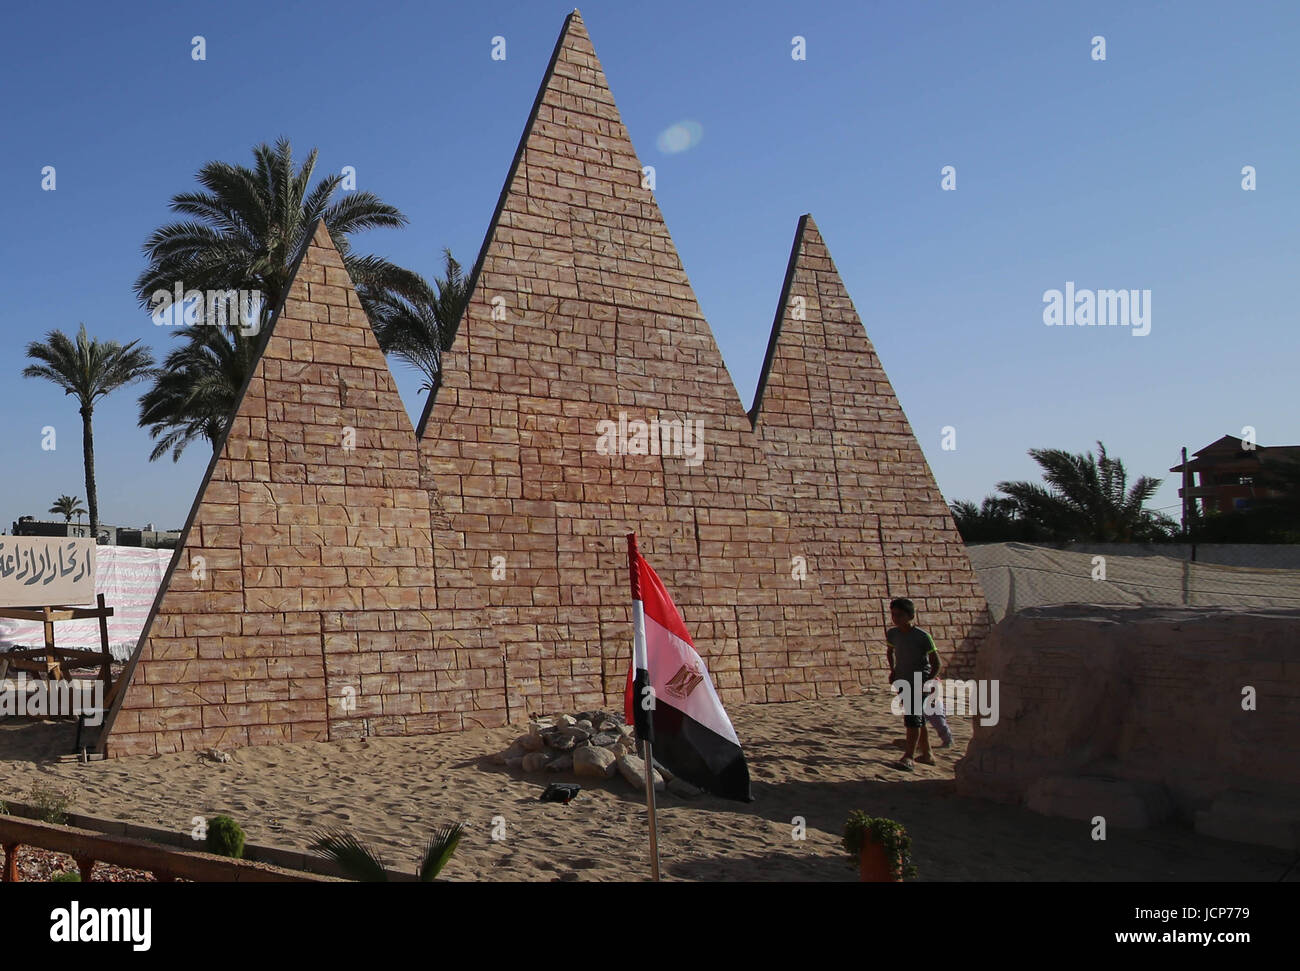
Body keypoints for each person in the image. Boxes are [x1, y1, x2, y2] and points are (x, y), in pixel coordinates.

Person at [885, 597, 942, 770]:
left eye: (900, 615)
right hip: (903, 679)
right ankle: (927, 754)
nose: (896, 618)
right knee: (916, 718)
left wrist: (927, 681)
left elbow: (936, 662)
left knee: (912, 719)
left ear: (910, 616)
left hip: (919, 681)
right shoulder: (893, 634)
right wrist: (893, 670)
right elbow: (890, 652)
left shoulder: (923, 636)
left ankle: (908, 756)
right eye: (894, 614)